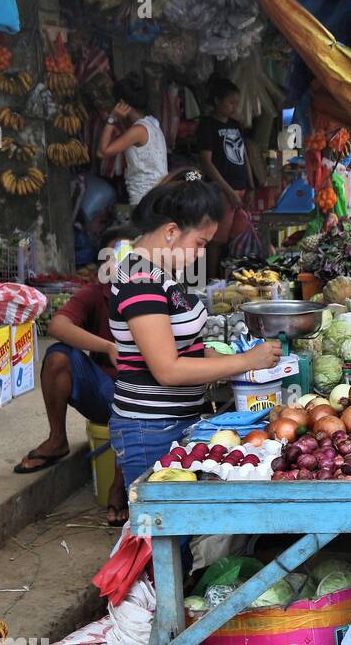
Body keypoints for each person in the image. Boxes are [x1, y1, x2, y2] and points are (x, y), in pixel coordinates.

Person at [108, 172, 280, 487]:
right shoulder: (141, 280)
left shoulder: (160, 274)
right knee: (162, 527)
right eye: (200, 244)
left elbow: (177, 345)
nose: (202, 254)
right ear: (172, 231)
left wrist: (211, 355)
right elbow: (167, 370)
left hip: (174, 423)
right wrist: (247, 361)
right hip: (151, 429)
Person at [14, 229, 131, 523]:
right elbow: (58, 325)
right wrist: (107, 347)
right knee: (57, 357)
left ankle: (119, 487)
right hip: (102, 387)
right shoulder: (97, 293)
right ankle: (56, 439)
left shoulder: (157, 293)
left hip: (142, 394)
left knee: (139, 398)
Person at [196, 77, 255, 271]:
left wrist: (251, 184)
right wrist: (228, 192)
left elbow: (243, 154)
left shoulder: (236, 125)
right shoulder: (207, 125)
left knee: (237, 235)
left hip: (240, 187)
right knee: (217, 239)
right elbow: (207, 162)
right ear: (217, 101)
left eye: (236, 103)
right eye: (230, 103)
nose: (234, 107)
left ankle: (229, 275)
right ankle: (212, 279)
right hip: (220, 189)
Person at [98, 74, 169, 206]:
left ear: (122, 104)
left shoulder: (138, 130)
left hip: (145, 200)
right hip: (157, 197)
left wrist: (112, 118)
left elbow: (102, 152)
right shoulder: (153, 125)